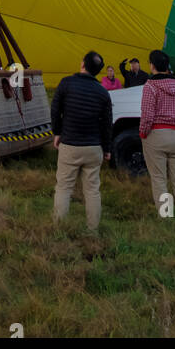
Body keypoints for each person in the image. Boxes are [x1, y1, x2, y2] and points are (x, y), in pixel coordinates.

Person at [51, 50, 113, 233]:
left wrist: (57, 133)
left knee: (63, 188)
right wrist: (107, 148)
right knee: (92, 191)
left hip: (69, 144)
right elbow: (107, 124)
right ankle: (92, 231)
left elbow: (55, 110)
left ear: (82, 64)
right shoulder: (103, 93)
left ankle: (58, 229)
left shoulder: (66, 84)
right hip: (93, 148)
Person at [139, 49, 175, 220]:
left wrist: (143, 133)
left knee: (159, 179)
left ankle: (166, 217)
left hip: (156, 135)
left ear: (152, 65)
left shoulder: (150, 86)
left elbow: (147, 116)